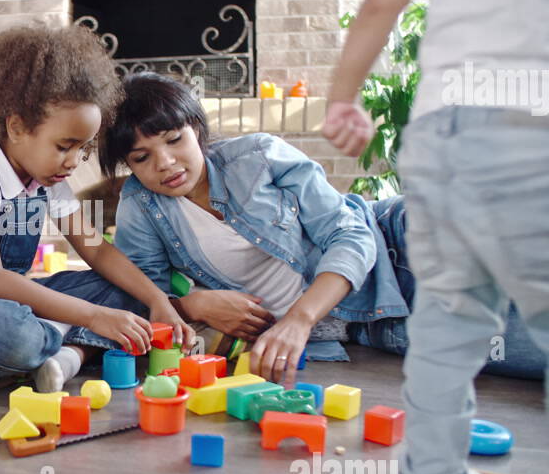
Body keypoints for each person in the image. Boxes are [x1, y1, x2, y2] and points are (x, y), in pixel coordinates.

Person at [102, 72, 544, 390]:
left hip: (399, 243)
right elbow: (149, 304)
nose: (165, 163)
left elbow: (351, 235)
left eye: (174, 139)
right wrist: (193, 303)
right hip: (375, 322)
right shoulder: (142, 206)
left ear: (196, 130)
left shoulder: (258, 157)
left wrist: (298, 320)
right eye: (141, 157)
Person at [323, 0, 549, 474]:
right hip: (528, 123)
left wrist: (342, 99)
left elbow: (379, 5)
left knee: (448, 320)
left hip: (437, 133)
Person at [0, 25, 193, 394]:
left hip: (16, 298)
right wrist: (93, 315)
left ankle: (65, 349)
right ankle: (75, 345)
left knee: (138, 286)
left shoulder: (50, 179)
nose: (73, 161)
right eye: (64, 146)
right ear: (17, 126)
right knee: (17, 340)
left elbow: (97, 249)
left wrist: (158, 300)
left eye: (83, 149)